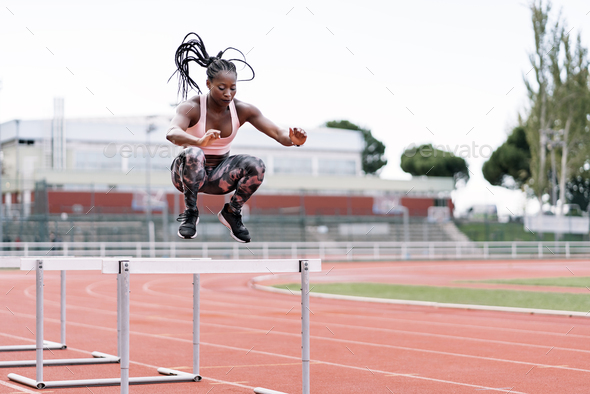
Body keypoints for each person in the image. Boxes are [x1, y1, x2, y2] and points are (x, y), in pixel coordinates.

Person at [166, 33, 307, 243]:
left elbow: (278, 134)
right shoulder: (192, 107)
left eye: (233, 88)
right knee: (194, 154)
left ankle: (232, 212)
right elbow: (172, 133)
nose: (228, 94)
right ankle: (191, 213)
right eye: (221, 88)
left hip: (219, 178)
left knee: (256, 164)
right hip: (187, 176)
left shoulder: (243, 110)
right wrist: (199, 142)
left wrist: (294, 140)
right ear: (208, 84)